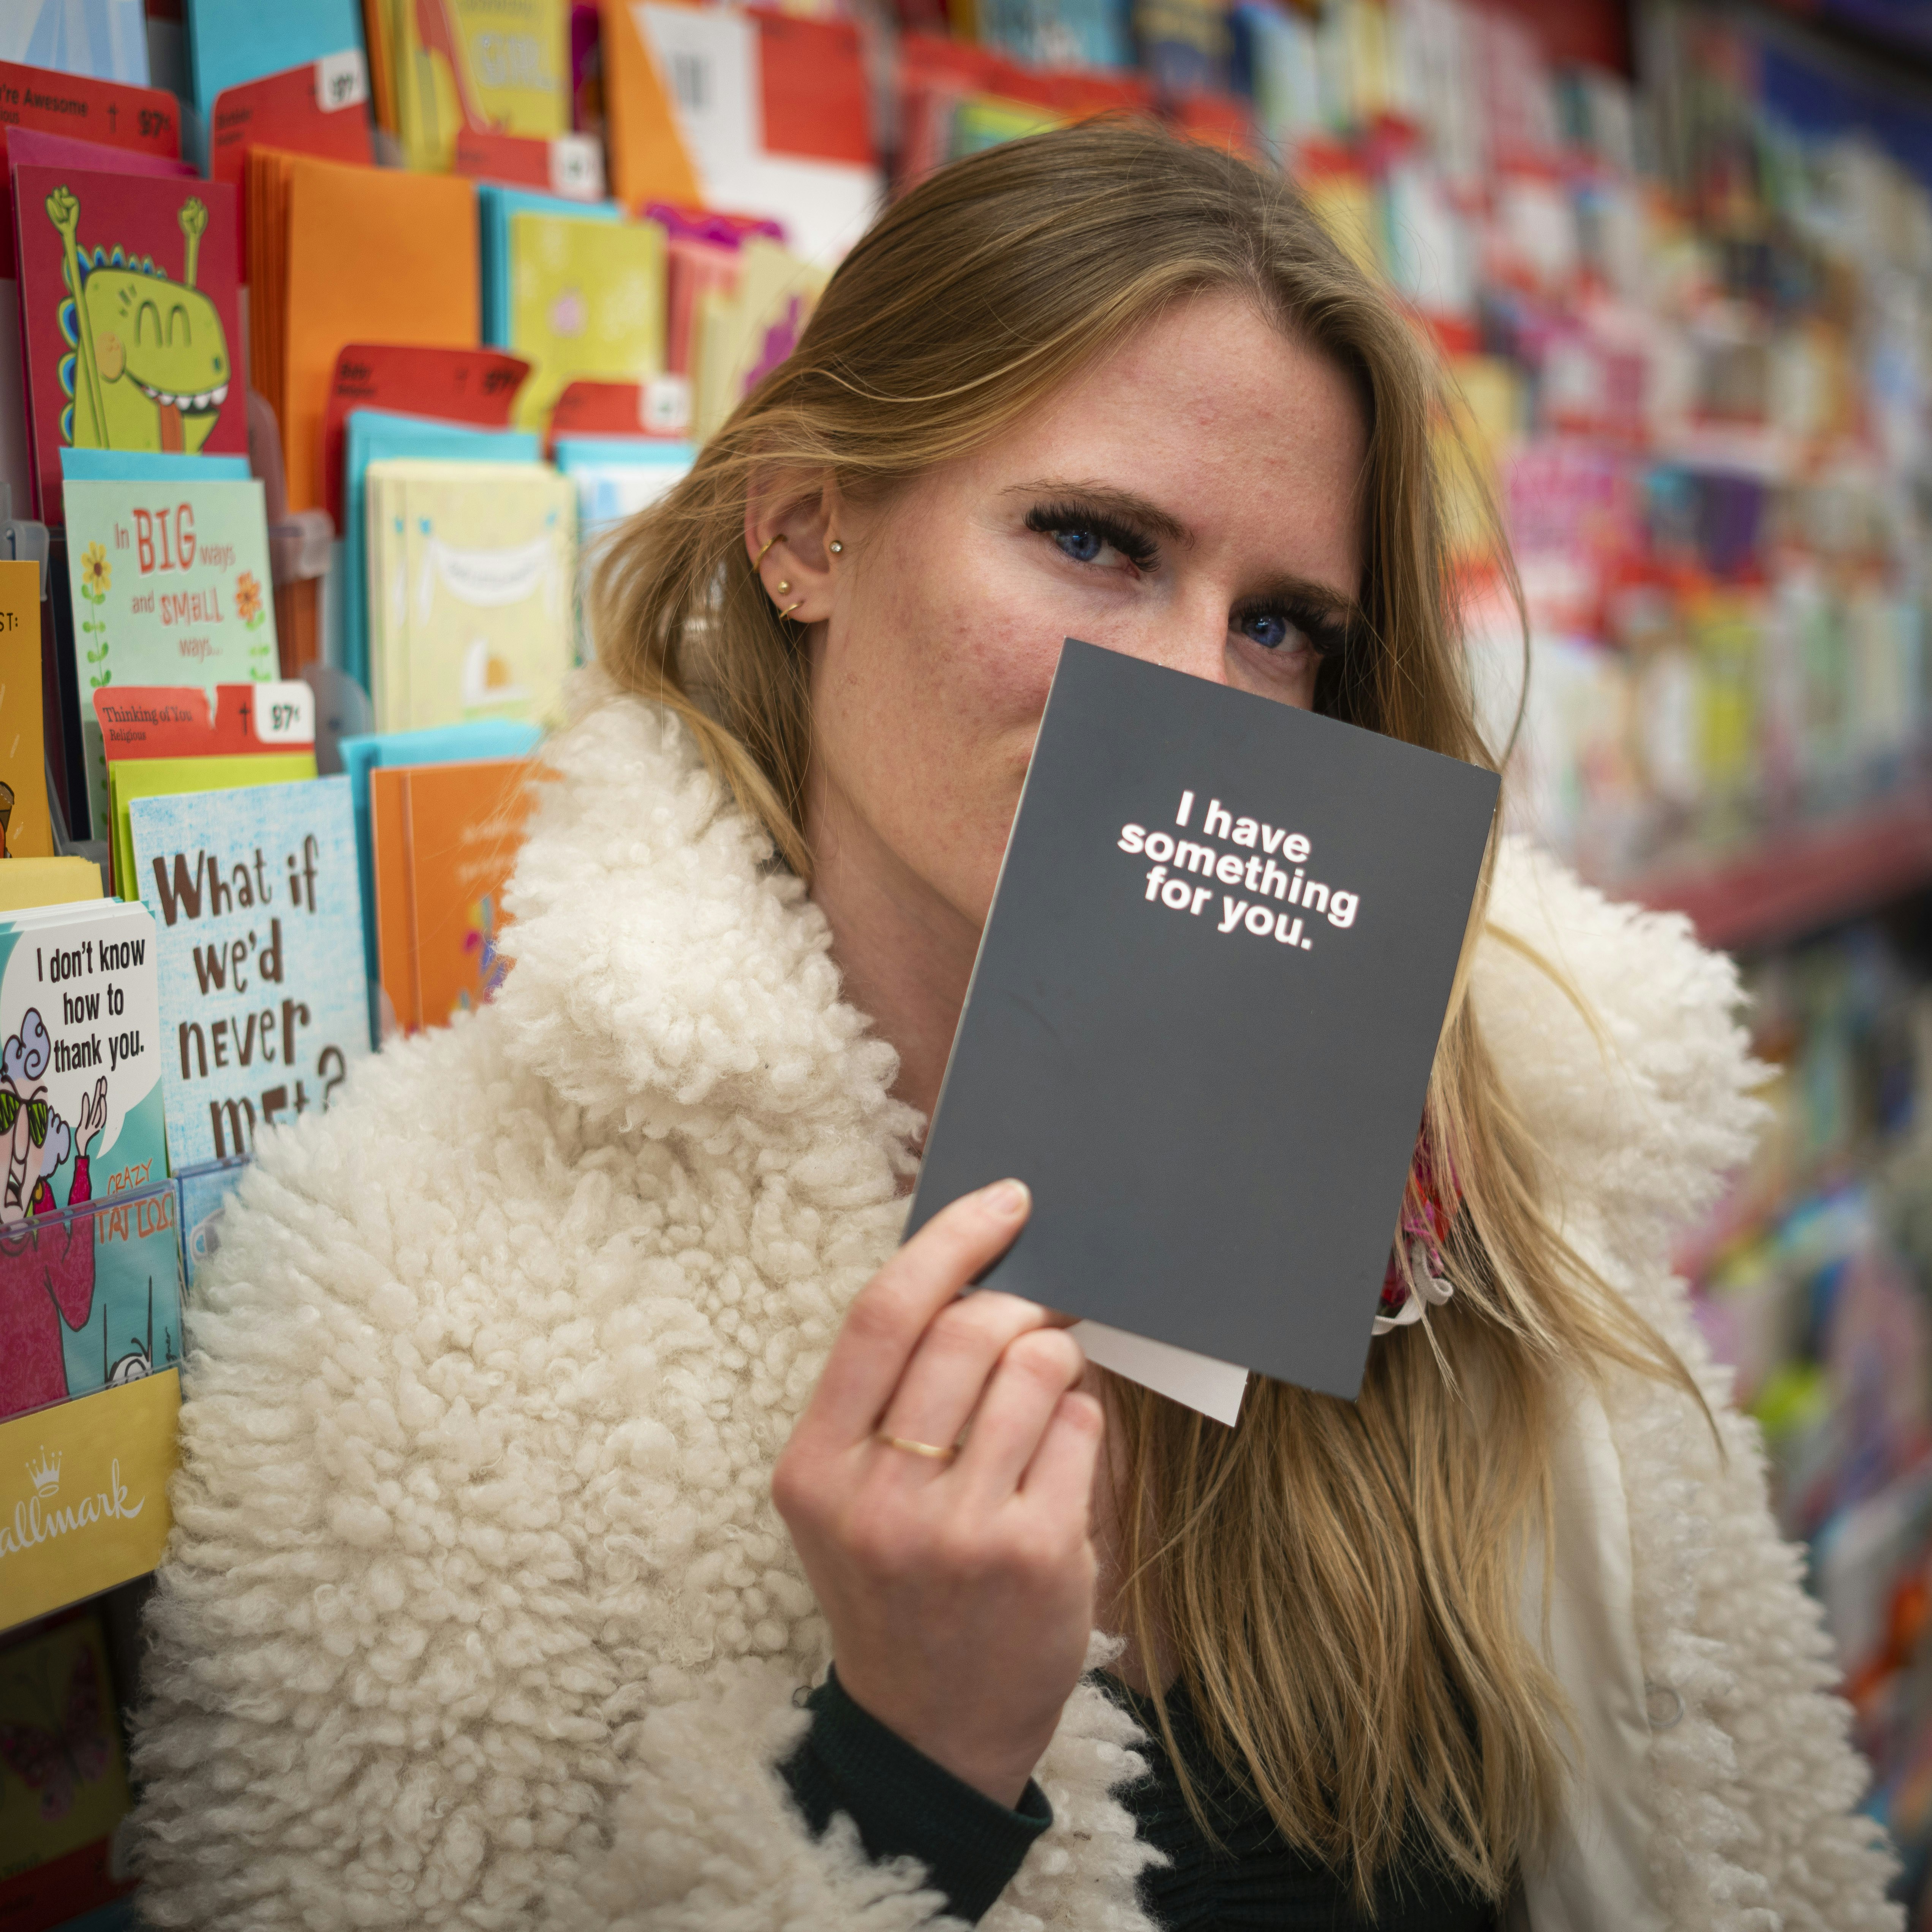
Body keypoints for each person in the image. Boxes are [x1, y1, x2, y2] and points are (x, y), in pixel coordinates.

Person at [130, 119, 1898, 1931]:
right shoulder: (420, 1288)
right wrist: (903, 1771)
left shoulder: (1490, 1188)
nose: (1199, 689)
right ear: (811, 526)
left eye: (1283, 624)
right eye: (1092, 540)